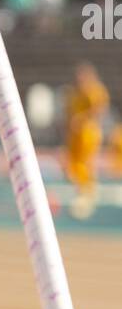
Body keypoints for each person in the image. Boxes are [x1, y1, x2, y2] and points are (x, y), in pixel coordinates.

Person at [64, 62, 109, 218]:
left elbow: (99, 110)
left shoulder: (94, 90)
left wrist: (81, 119)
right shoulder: (74, 92)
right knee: (73, 163)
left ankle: (88, 193)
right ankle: (82, 191)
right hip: (75, 134)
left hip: (88, 133)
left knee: (84, 163)